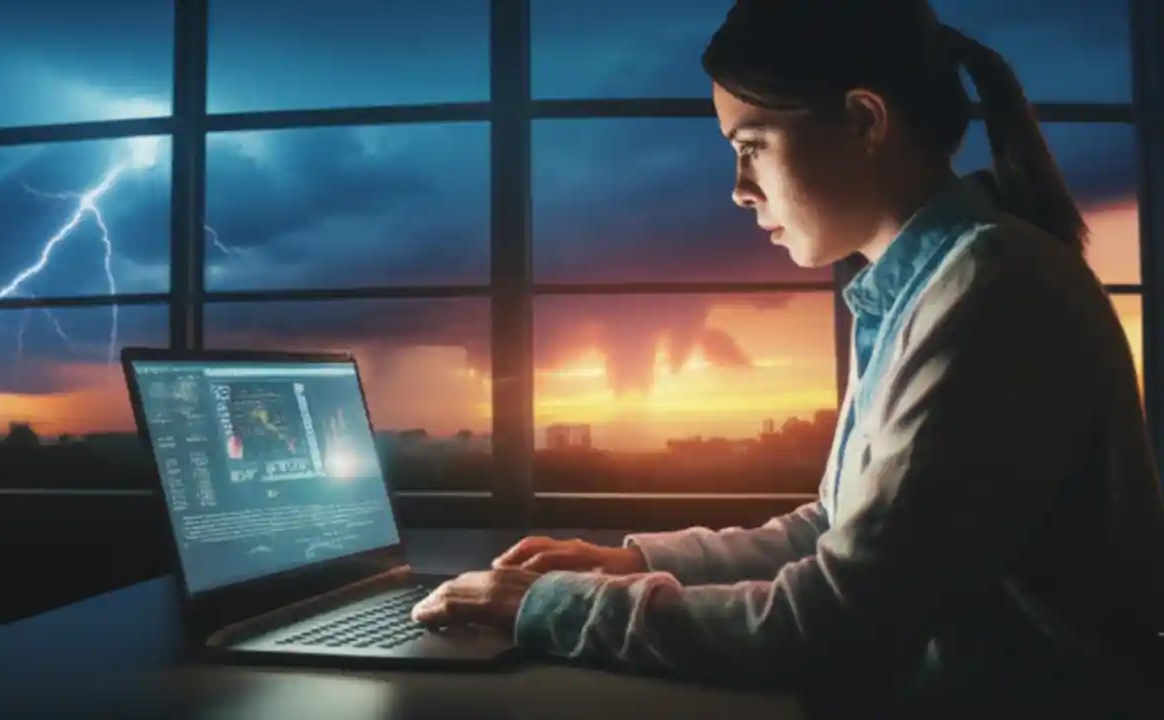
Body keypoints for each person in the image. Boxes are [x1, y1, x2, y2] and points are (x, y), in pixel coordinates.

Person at [411, 0, 1164, 714]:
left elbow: (838, 622)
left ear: (864, 120)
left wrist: (552, 608)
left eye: (751, 147)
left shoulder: (993, 292)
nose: (739, 191)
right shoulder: (931, 287)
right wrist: (636, 564)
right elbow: (838, 532)